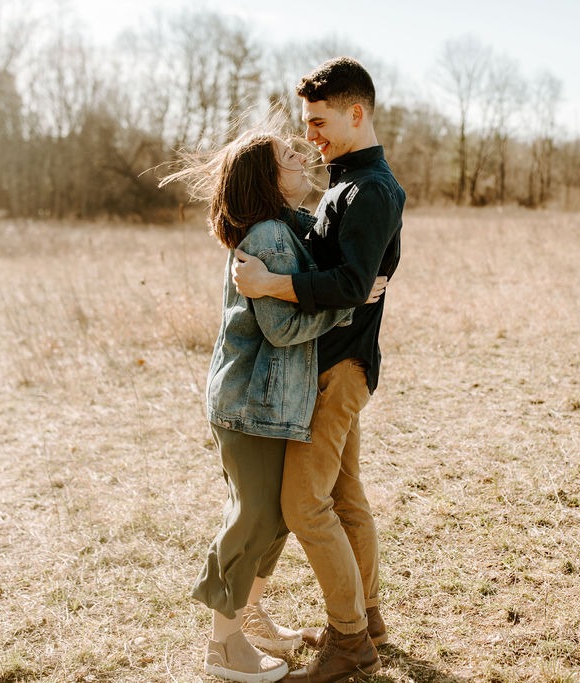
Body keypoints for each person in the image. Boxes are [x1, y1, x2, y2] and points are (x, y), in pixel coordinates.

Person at [158, 127, 385, 683]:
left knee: (277, 515)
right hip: (249, 404)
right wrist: (350, 303)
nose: (302, 156)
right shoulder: (268, 236)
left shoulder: (289, 225)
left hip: (269, 403)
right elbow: (282, 329)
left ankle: (249, 617)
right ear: (268, 177)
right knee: (254, 516)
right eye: (288, 155)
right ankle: (222, 644)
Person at [232, 57, 406, 683]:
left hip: (340, 370)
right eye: (307, 123)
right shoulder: (346, 183)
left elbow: (352, 283)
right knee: (344, 496)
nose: (311, 136)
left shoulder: (371, 190)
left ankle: (350, 641)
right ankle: (368, 619)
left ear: (356, 113)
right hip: (331, 364)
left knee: (304, 505)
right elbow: (338, 265)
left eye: (320, 122)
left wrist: (270, 284)